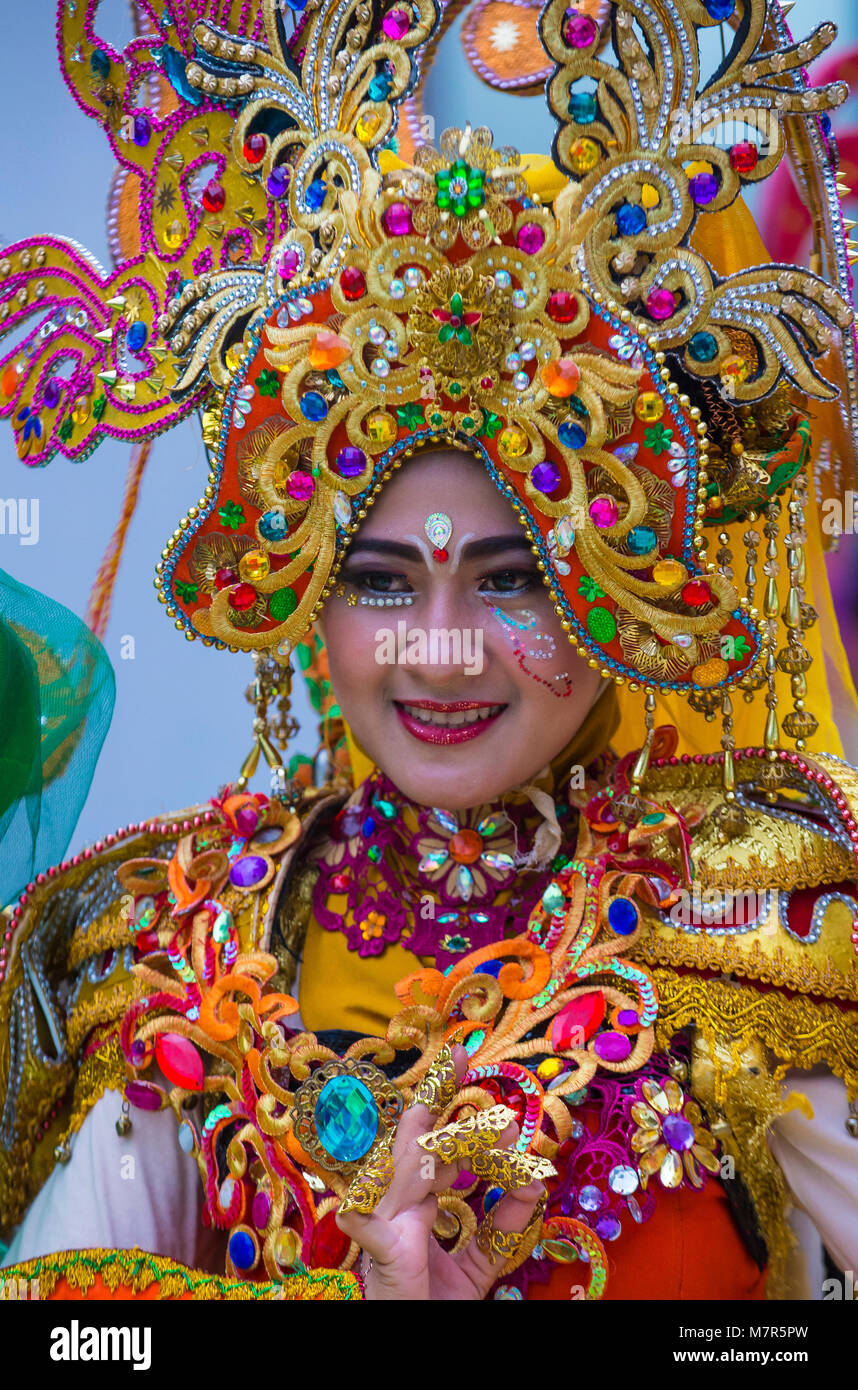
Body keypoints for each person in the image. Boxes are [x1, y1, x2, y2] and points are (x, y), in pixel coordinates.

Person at [1, 0, 858, 1302]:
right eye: (382, 580)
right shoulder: (185, 950)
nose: (444, 650)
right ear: (300, 592)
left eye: (513, 578)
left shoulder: (752, 934)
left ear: (616, 589)